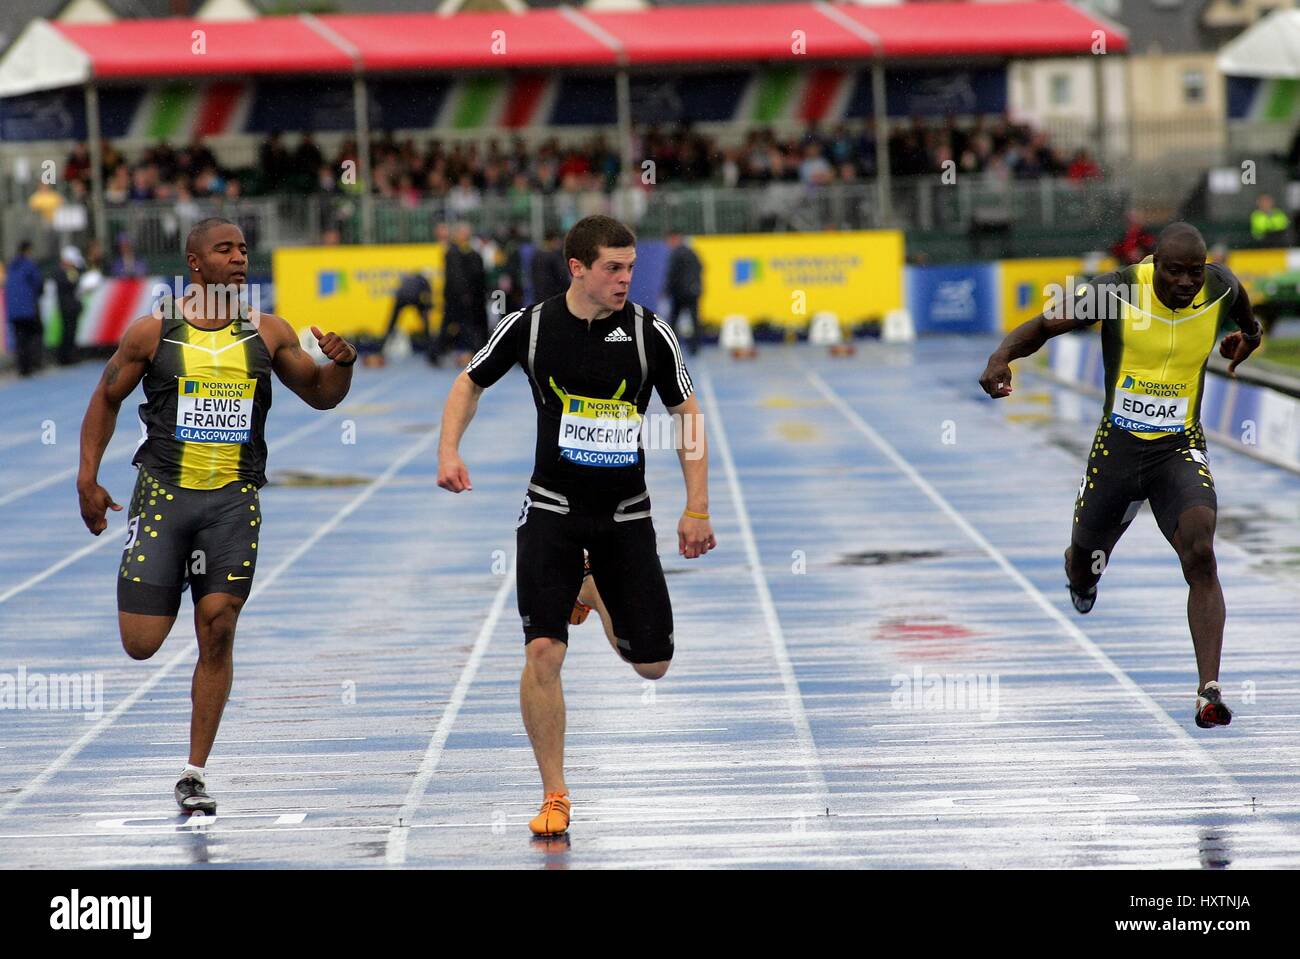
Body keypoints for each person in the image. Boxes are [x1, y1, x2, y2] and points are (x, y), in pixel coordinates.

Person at [436, 214, 716, 837]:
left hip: (625, 518)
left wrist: (696, 505)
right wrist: (449, 451)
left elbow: (686, 415)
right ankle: (555, 793)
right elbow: (467, 383)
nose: (625, 279)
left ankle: (590, 590)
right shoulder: (531, 328)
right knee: (542, 650)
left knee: (653, 664)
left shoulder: (651, 335)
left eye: (631, 268)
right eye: (613, 269)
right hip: (551, 513)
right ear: (578, 269)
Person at [76, 217, 358, 814]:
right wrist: (87, 477)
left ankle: (194, 773)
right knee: (141, 643)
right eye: (224, 249)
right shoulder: (153, 334)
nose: (239, 258)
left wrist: (343, 363)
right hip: (164, 498)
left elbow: (322, 394)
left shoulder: (268, 331)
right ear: (194, 262)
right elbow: (105, 398)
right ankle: (166, 575)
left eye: (244, 249)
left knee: (220, 627)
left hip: (233, 501)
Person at [978, 222, 1263, 729]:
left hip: (1178, 449)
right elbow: (1045, 326)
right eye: (1174, 272)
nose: (1185, 282)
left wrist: (1249, 337)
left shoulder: (1220, 286)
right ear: (1155, 264)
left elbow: (1245, 313)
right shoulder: (1115, 291)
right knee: (1083, 567)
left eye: (1193, 273)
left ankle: (1208, 691)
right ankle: (1081, 570)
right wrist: (1001, 357)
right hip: (1116, 454)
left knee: (1201, 551)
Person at [438, 222, 488, 366]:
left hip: (457, 295)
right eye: (465, 232)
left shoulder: (459, 250)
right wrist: (463, 294)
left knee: (457, 324)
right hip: (456, 296)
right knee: (458, 324)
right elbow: (456, 277)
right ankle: (439, 352)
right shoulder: (454, 252)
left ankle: (438, 352)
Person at [5, 241, 45, 376]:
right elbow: (38, 283)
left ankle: (22, 368)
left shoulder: (11, 266)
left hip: (13, 310)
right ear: (28, 251)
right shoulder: (29, 265)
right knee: (32, 335)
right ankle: (32, 365)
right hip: (27, 308)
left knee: (19, 338)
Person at [663, 231, 704, 355]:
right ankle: (694, 347)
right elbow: (701, 267)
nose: (668, 244)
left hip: (680, 293)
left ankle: (672, 347)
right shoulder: (692, 252)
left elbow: (672, 274)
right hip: (693, 291)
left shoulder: (675, 254)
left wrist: (667, 290)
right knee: (694, 320)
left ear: (675, 239)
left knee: (674, 320)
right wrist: (694, 284)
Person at [383, 271, 435, 363]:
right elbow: (428, 296)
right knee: (425, 323)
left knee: (392, 323)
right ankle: (430, 348)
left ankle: (382, 345)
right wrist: (428, 308)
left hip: (401, 298)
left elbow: (399, 290)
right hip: (414, 297)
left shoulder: (408, 277)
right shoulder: (424, 280)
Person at [55, 245, 85, 366]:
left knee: (72, 331)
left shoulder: (72, 271)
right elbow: (69, 283)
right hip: (66, 306)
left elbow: (81, 271)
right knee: (67, 331)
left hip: (73, 306)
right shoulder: (60, 272)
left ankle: (70, 356)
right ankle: (65, 357)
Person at [528, 231, 569, 303]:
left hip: (539, 295)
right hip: (553, 296)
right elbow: (562, 276)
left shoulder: (536, 255)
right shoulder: (553, 256)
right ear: (553, 240)